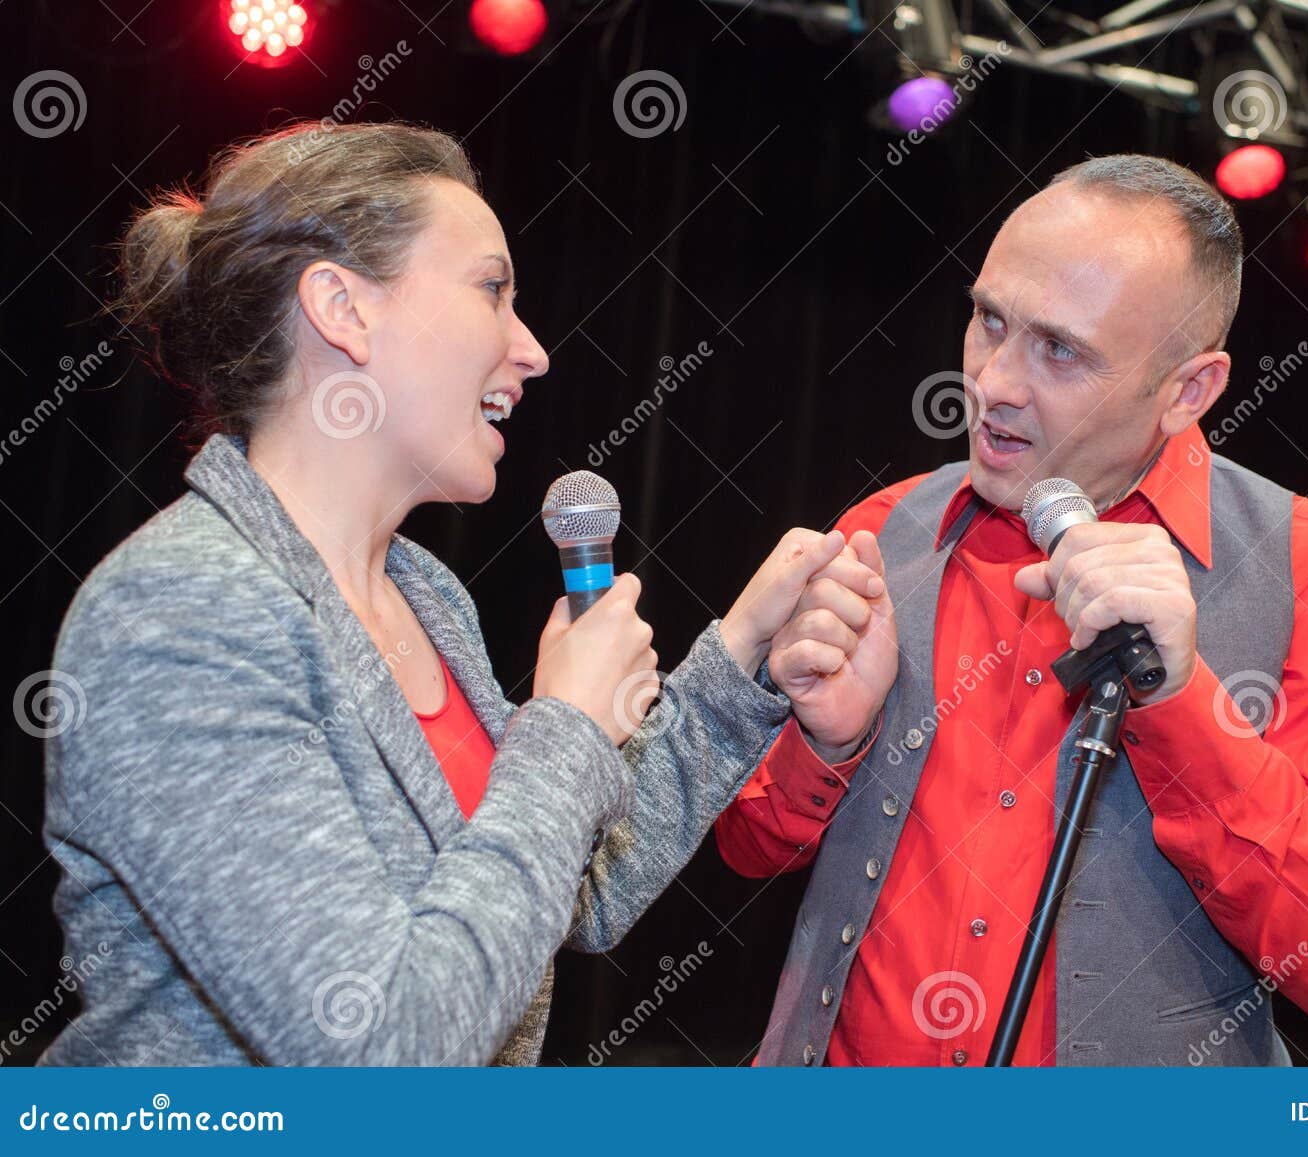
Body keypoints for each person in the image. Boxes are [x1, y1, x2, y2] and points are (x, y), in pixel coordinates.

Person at [39, 121, 880, 1066]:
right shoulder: (181, 612)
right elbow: (384, 1044)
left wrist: (743, 652)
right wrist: (564, 721)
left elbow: (570, 888)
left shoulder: (425, 592)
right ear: (341, 309)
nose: (532, 349)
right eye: (492, 290)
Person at [716, 155, 1308, 1067]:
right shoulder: (883, 532)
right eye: (990, 321)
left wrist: (1181, 710)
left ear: (1189, 390)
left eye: (1061, 350)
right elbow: (748, 846)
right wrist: (824, 747)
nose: (995, 382)